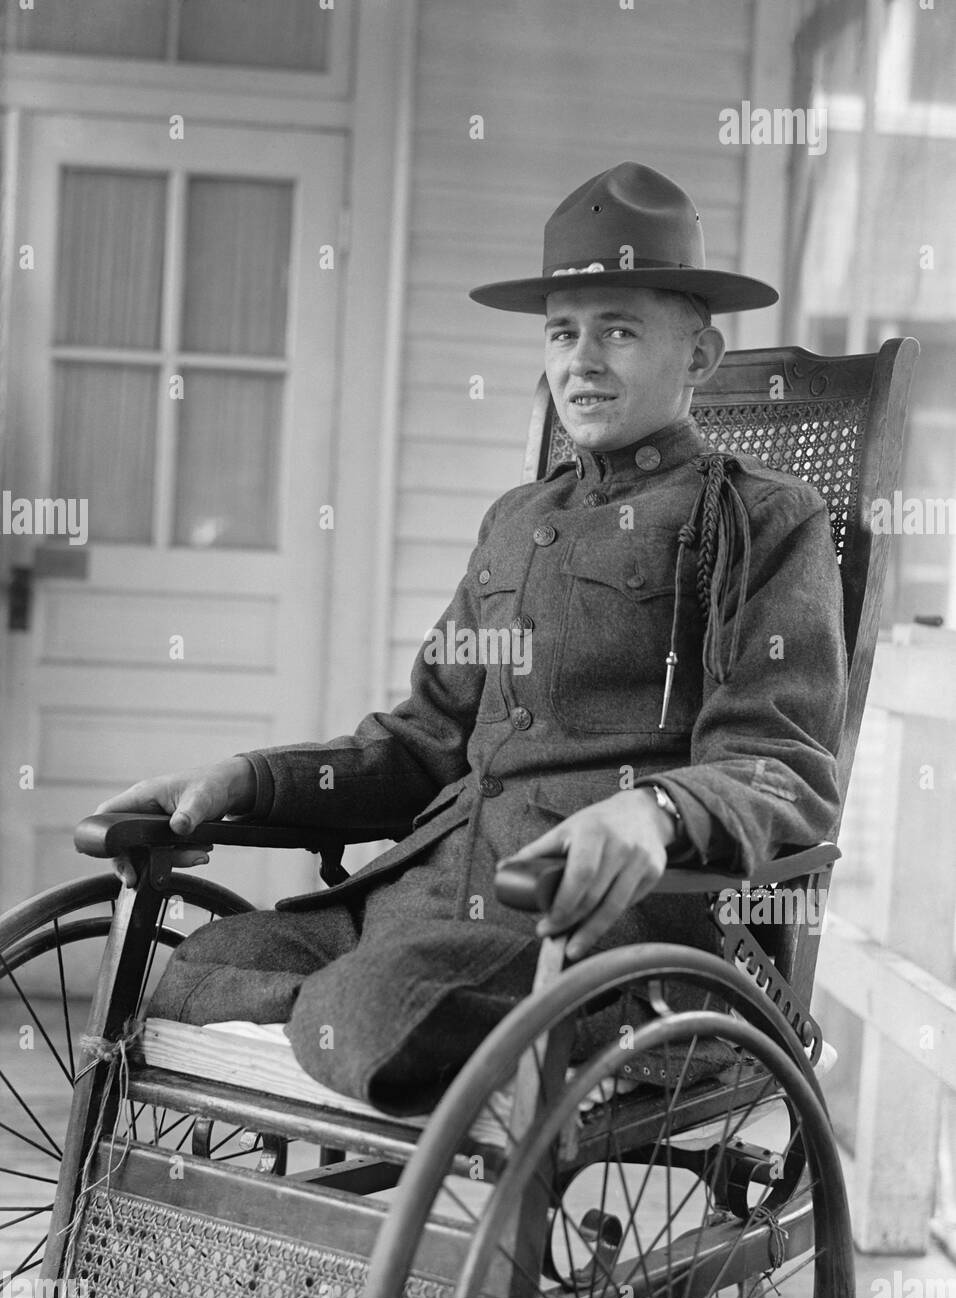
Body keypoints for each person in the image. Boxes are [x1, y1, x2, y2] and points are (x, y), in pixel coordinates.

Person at [99, 164, 847, 1115]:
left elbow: (783, 766)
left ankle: (371, 1028)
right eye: (563, 333)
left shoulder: (761, 519)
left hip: (597, 928)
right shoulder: (515, 518)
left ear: (698, 356)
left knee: (369, 1007)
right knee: (196, 969)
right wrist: (247, 779)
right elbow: (423, 741)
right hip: (423, 907)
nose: (582, 360)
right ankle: (352, 1036)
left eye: (618, 329)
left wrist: (651, 812)